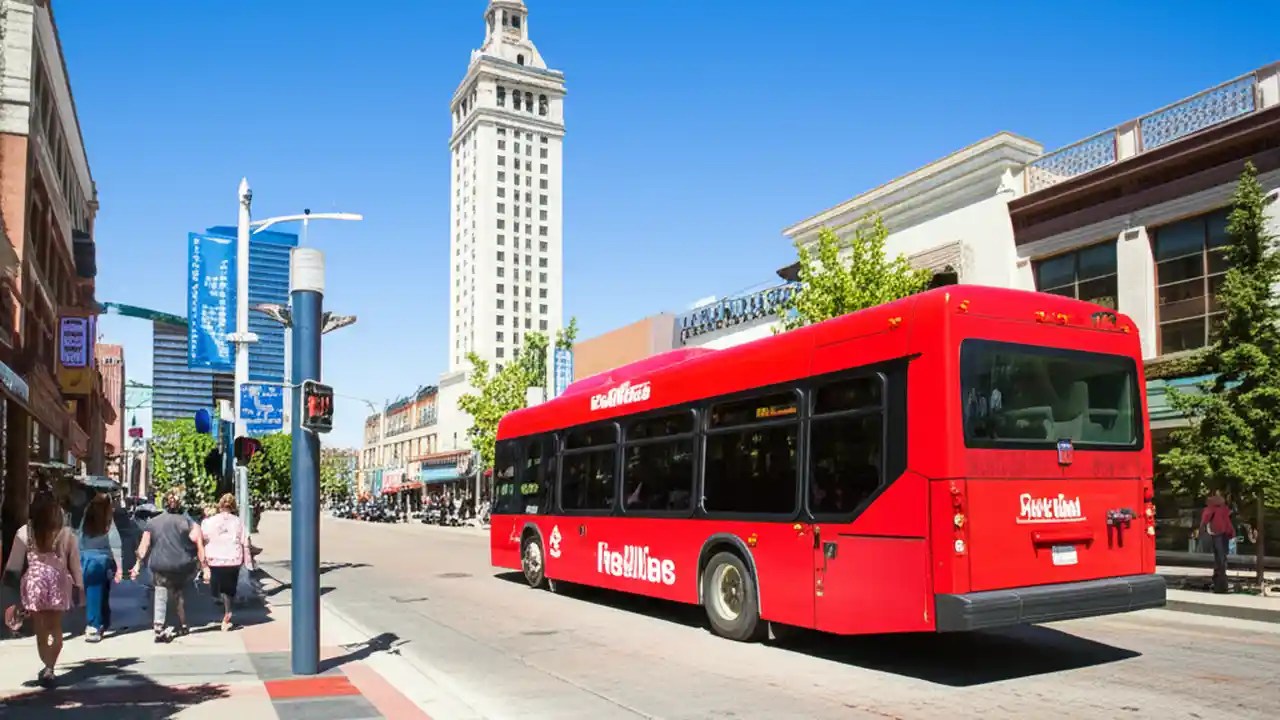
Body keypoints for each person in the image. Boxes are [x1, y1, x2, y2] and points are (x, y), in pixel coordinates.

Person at [3, 492, 84, 687]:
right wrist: (79, 587)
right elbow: (75, 564)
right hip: (59, 583)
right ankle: (51, 667)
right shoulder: (66, 533)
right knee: (56, 628)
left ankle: (46, 665)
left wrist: (9, 596)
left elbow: (13, 565)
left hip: (35, 584)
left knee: (40, 630)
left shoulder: (25, 532)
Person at [131, 490, 208, 642]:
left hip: (159, 564)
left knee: (160, 591)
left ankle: (159, 625)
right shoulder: (187, 522)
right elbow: (199, 543)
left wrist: (137, 566)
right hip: (181, 565)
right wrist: (205, 568)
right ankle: (183, 623)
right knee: (178, 594)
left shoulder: (153, 523)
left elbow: (143, 547)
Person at [201, 493, 251, 632]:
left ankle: (219, 598)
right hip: (233, 558)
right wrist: (248, 560)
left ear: (220, 505)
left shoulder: (210, 521)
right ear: (233, 506)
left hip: (214, 557)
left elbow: (203, 537)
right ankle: (227, 611)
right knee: (229, 587)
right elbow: (245, 540)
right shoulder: (238, 522)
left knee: (217, 583)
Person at [78, 494, 123, 642]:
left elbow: (80, 538)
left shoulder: (86, 519)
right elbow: (115, 543)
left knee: (94, 591)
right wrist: (120, 568)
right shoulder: (108, 520)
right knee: (99, 591)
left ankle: (100, 622)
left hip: (87, 559)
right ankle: (95, 625)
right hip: (102, 560)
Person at [1201, 492, 1235, 594]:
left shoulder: (1210, 508)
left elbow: (1205, 520)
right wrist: (1231, 534)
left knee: (1219, 559)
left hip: (1216, 533)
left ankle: (1219, 585)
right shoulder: (1224, 508)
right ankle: (1222, 584)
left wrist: (1201, 530)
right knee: (1222, 559)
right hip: (1225, 534)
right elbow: (1228, 522)